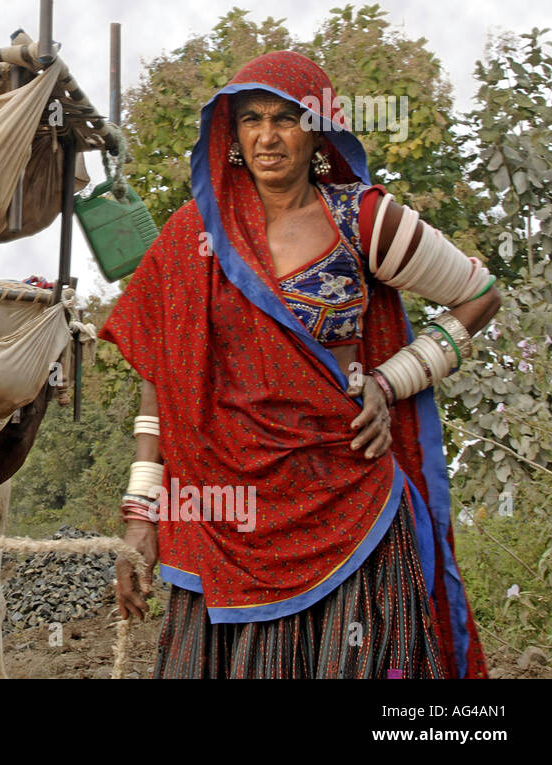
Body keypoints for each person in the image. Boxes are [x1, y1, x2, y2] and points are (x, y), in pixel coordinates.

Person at [102, 51, 501, 679]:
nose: (267, 136)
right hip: (223, 519)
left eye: (287, 118)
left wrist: (392, 380)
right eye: (251, 119)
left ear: (318, 130)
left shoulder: (363, 220)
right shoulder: (190, 238)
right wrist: (140, 515)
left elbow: (480, 296)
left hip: (348, 506)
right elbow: (161, 377)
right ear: (229, 133)